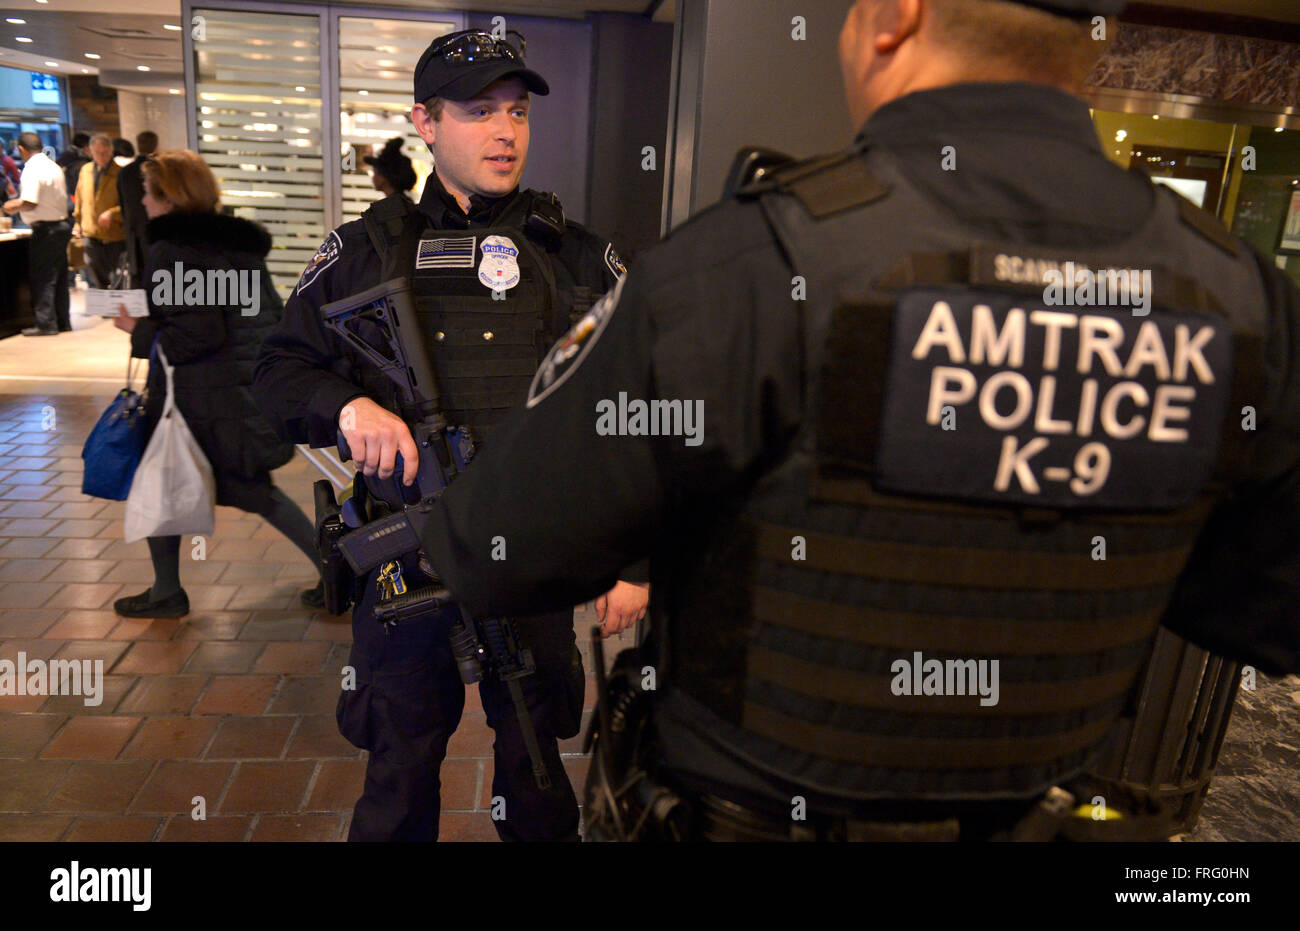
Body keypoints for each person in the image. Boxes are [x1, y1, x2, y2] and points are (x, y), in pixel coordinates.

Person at [393, 0, 1300, 842]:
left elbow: (489, 545)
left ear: (893, 18)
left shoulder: (747, 264)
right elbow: (1267, 612)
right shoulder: (1240, 294)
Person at [253, 28, 646, 842]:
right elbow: (277, 371)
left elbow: (641, 407)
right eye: (478, 112)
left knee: (539, 785)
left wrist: (634, 562)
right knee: (398, 782)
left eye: (517, 111)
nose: (506, 132)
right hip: (408, 566)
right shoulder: (364, 252)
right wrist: (347, 408)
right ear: (425, 123)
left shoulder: (578, 257)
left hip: (534, 564)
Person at [111, 149, 322, 619]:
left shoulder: (172, 252)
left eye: (148, 193)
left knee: (208, 485)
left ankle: (336, 573)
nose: (143, 203)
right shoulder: (236, 246)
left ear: (168, 197)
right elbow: (248, 315)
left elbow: (197, 332)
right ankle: (166, 589)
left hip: (198, 398)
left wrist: (138, 330)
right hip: (235, 391)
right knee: (205, 487)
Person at [3, 132, 71, 336]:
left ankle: (46, 324)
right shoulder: (53, 166)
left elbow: (30, 202)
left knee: (44, 277)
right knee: (59, 278)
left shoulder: (32, 168)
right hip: (61, 226)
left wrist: (11, 205)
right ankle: (62, 321)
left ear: (22, 149)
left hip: (46, 230)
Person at [72, 133, 126, 288]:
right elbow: (79, 197)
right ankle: (105, 310)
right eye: (97, 153)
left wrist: (113, 213)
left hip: (113, 234)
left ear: (111, 151)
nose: (102, 157)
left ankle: (117, 309)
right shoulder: (85, 170)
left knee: (116, 276)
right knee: (94, 271)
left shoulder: (121, 173)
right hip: (90, 232)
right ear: (90, 152)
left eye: (105, 153)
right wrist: (77, 221)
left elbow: (128, 205)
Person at [118, 130, 158, 289]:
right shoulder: (158, 169)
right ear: (156, 146)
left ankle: (140, 312)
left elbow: (122, 204)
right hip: (155, 229)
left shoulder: (124, 172)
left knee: (138, 276)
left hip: (133, 229)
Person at [363, 136, 418, 201]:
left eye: (375, 173)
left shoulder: (390, 208)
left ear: (384, 176)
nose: (373, 177)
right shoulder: (404, 203)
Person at [57, 132, 91, 206]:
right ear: (86, 147)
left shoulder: (64, 157)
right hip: (77, 197)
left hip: (65, 197)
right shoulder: (84, 161)